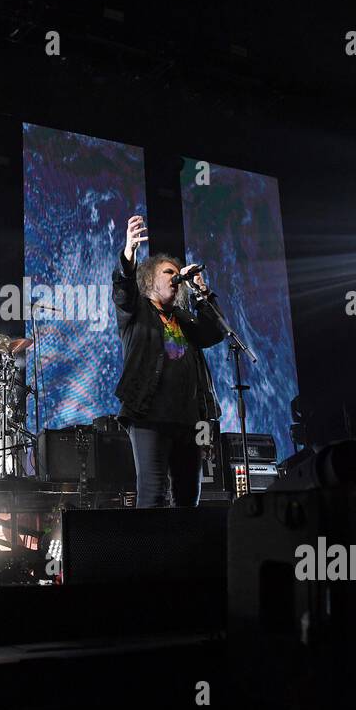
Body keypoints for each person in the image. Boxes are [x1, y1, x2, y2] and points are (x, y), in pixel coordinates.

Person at [112, 214, 225, 506]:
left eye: (178, 273)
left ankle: (184, 551)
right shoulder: (136, 311)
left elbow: (214, 333)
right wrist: (129, 253)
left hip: (189, 419)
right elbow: (123, 290)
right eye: (168, 273)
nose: (176, 278)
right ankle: (152, 551)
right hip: (149, 414)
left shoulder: (184, 318)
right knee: (153, 494)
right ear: (149, 280)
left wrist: (202, 291)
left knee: (189, 496)